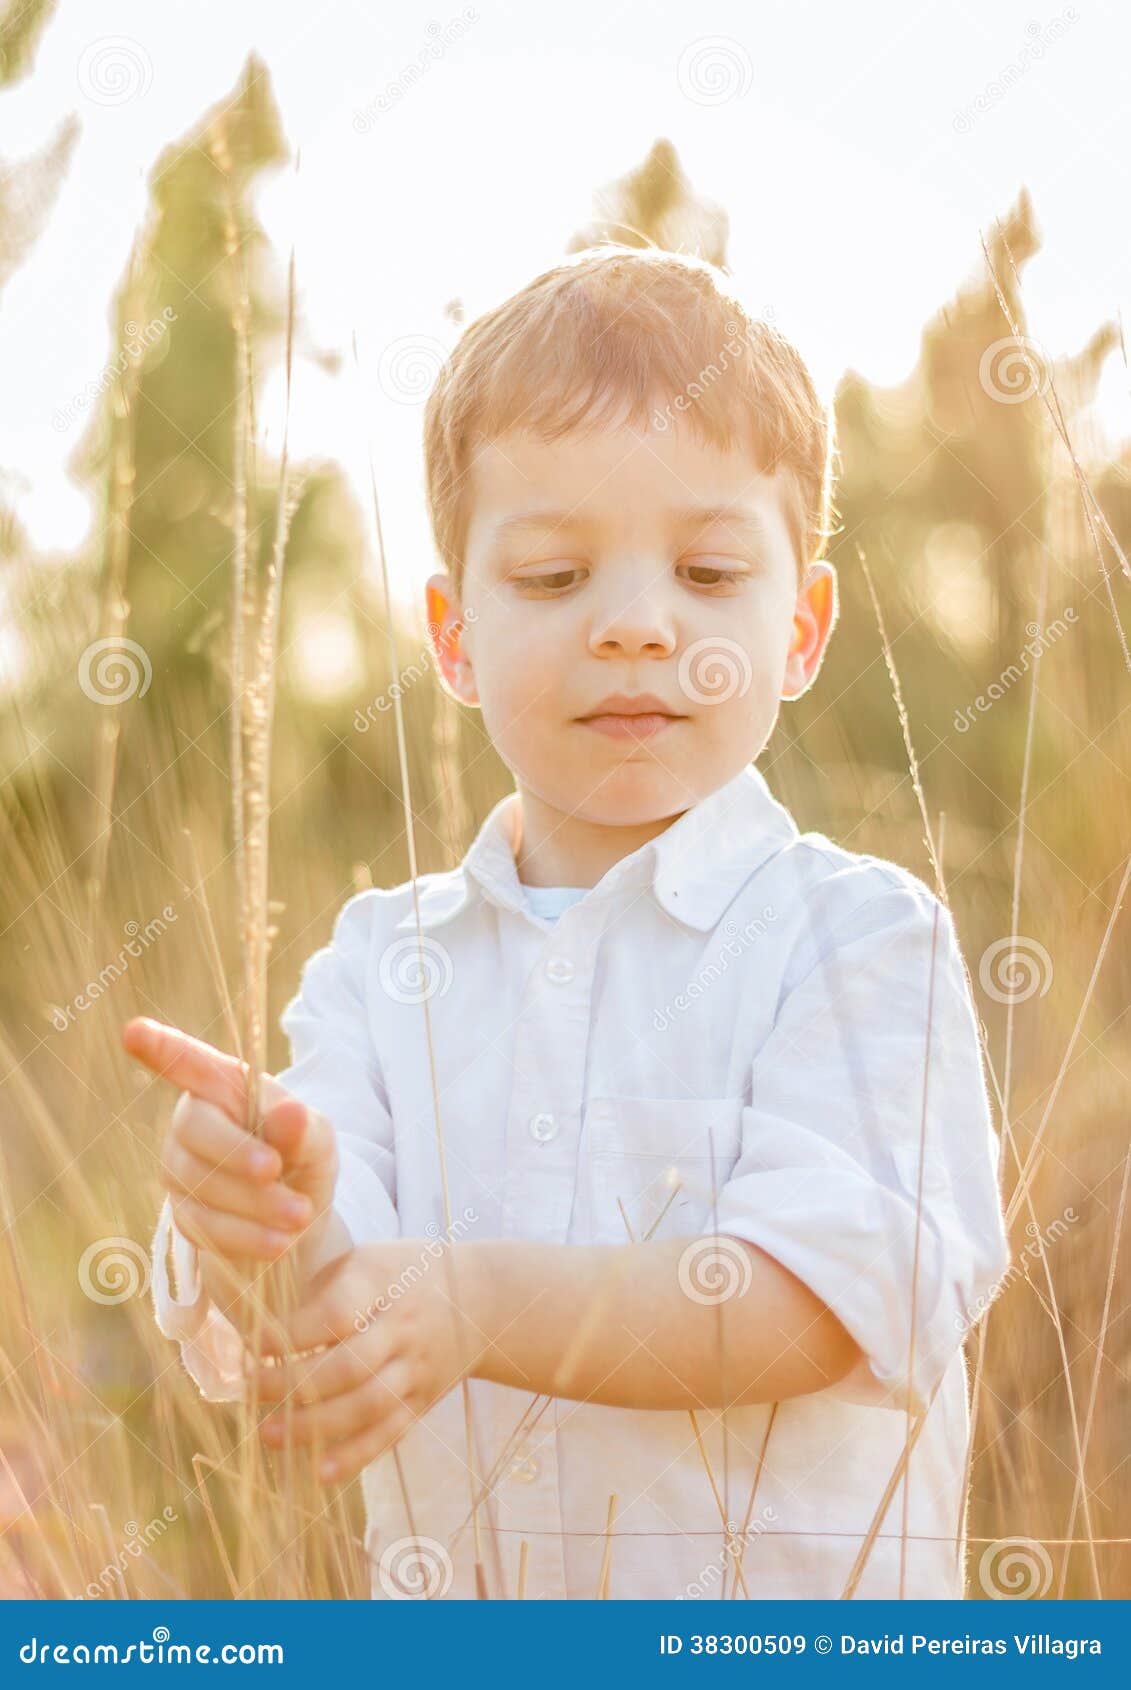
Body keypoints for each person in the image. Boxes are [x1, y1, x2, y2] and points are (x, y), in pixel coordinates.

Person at [124, 244, 1009, 1601]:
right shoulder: (380, 968)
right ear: (456, 636)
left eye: (711, 571)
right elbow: (333, 1295)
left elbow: (819, 1300)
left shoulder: (858, 941)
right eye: (551, 577)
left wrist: (476, 1302)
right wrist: (256, 1207)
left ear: (805, 628)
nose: (639, 626)